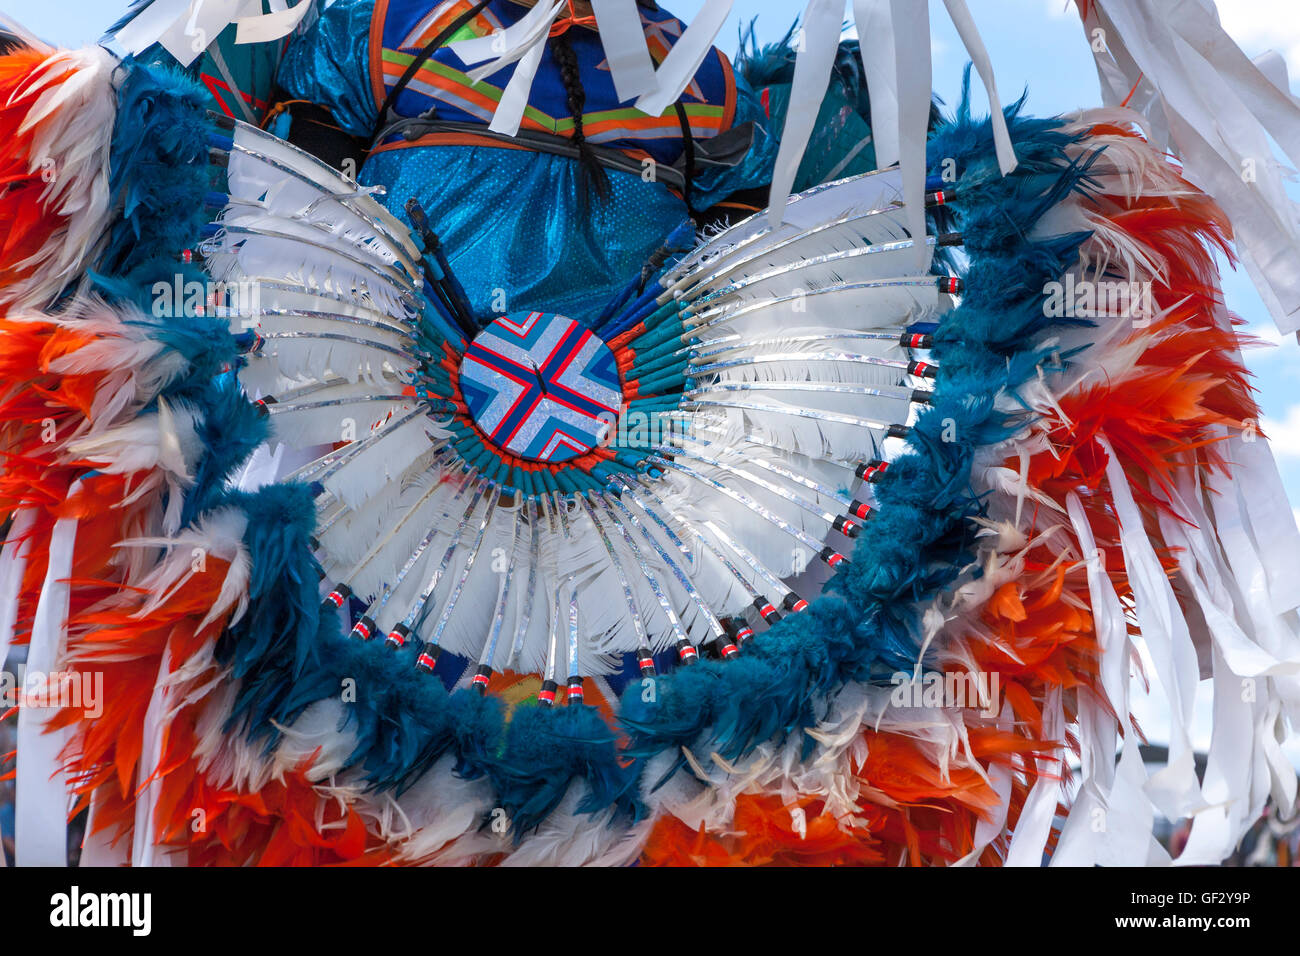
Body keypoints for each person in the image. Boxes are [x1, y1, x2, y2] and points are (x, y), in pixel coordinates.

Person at [269, 0, 782, 323]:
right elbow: (304, 171)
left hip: (621, 428)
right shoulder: (385, 20)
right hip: (390, 380)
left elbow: (743, 230)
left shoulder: (702, 76)